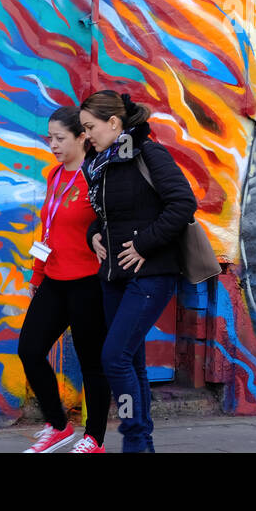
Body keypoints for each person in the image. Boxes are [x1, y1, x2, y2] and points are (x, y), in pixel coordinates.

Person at [82, 90, 196, 453]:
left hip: (152, 275)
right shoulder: (97, 163)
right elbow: (104, 216)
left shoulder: (149, 154)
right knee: (131, 361)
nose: (87, 135)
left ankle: (135, 442)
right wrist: (94, 236)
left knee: (113, 357)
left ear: (114, 123)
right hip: (114, 277)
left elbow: (182, 204)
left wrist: (145, 243)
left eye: (91, 127)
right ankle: (142, 444)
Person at [18, 106, 110, 454]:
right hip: (54, 279)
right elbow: (49, 229)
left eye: (60, 138)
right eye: (50, 137)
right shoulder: (55, 175)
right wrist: (37, 274)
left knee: (91, 363)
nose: (53, 144)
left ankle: (94, 439)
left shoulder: (95, 177)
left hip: (88, 282)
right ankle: (58, 425)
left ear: (82, 138)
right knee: (29, 349)